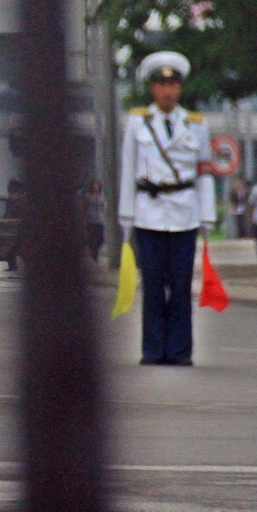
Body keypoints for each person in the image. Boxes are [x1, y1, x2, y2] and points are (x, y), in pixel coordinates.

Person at [119, 51, 216, 367]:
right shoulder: (136, 122)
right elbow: (128, 169)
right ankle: (152, 349)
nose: (167, 91)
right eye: (161, 84)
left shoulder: (197, 125)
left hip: (185, 214)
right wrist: (126, 216)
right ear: (152, 89)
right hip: (149, 213)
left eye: (173, 84)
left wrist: (206, 216)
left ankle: (179, 350)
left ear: (180, 89)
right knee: (152, 286)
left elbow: (203, 173)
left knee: (180, 285)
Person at [84, 178, 106, 262]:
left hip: (99, 220)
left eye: (97, 185)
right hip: (90, 220)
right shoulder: (88, 196)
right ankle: (95, 255)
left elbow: (103, 206)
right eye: (94, 185)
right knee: (92, 238)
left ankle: (95, 251)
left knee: (101, 239)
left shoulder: (101, 196)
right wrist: (85, 219)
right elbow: (85, 208)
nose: (96, 186)